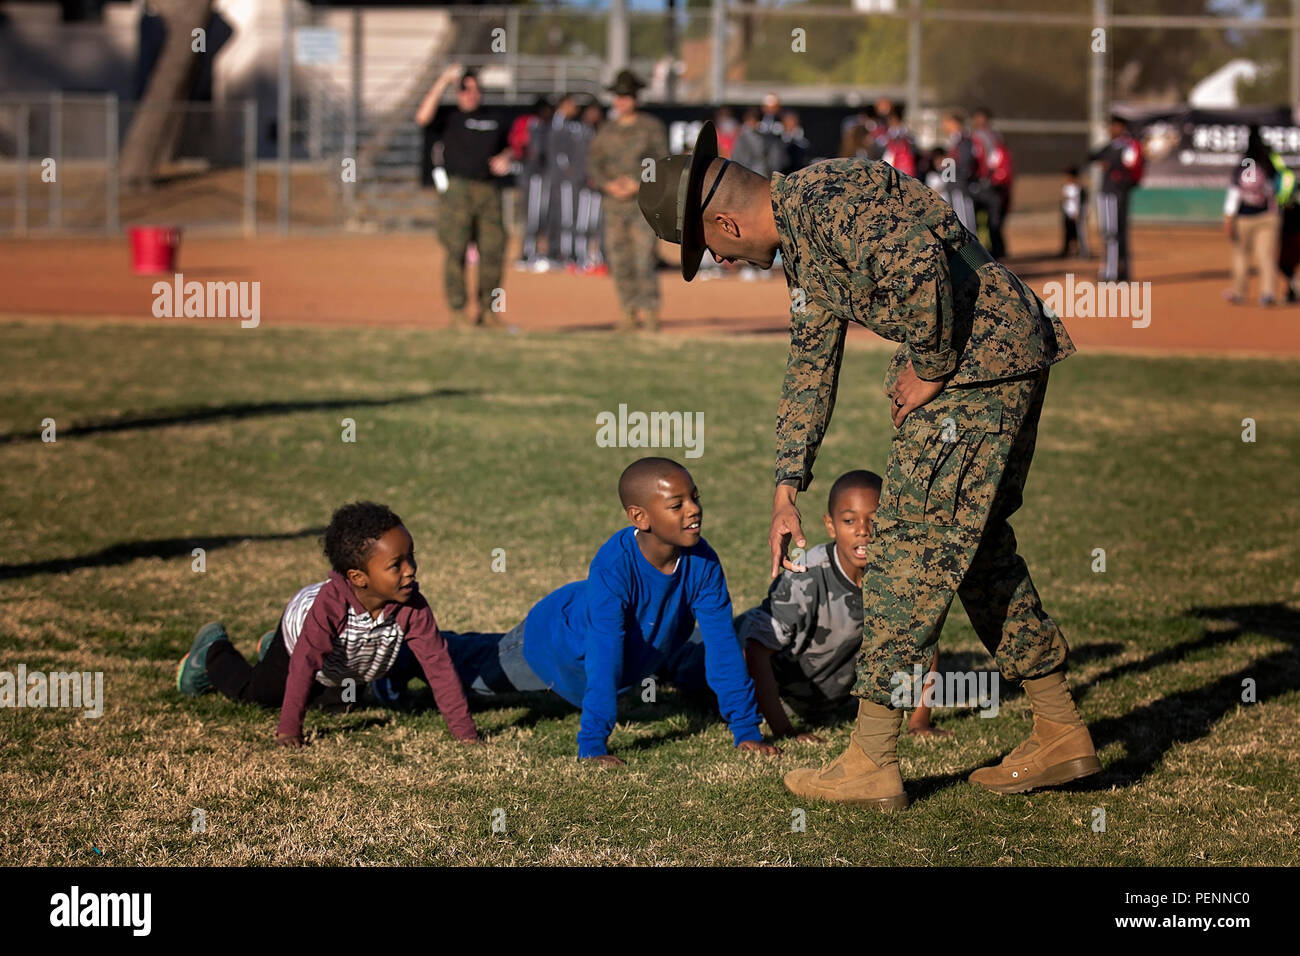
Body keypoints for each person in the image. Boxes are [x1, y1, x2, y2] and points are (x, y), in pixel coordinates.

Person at [637, 122, 1095, 810]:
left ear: (727, 222)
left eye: (712, 250)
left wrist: (930, 367)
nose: (724, 263)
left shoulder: (824, 202)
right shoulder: (806, 234)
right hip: (1001, 357)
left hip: (976, 369)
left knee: (904, 547)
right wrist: (786, 487)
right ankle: (1060, 726)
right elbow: (810, 365)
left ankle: (872, 759)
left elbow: (920, 265)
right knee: (977, 549)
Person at [388, 459, 781, 765]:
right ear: (639, 517)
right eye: (677, 504)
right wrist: (592, 743)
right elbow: (604, 653)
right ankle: (401, 659)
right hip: (554, 646)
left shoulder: (703, 560)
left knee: (479, 648)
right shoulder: (614, 565)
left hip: (630, 644)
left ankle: (451, 647)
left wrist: (746, 730)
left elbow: (722, 645)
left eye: (695, 497)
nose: (693, 510)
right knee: (473, 673)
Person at [659, 470, 946, 740]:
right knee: (679, 665)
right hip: (742, 666)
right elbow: (755, 651)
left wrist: (919, 721)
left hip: (812, 698)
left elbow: (924, 640)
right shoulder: (807, 576)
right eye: (849, 521)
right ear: (830, 526)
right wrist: (785, 732)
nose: (863, 531)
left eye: (876, 519)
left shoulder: (900, 577)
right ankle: (663, 651)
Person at [175, 501, 480, 747]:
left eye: (411, 557)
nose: (410, 570)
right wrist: (289, 731)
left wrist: (466, 734)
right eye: (395, 565)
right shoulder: (330, 608)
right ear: (358, 578)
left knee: (337, 704)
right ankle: (212, 652)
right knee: (262, 695)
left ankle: (268, 650)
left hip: (348, 664)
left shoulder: (412, 605)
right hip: (300, 643)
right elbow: (306, 664)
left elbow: (438, 666)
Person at [416, 65, 513, 328]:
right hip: (457, 191)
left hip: (488, 191)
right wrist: (444, 80)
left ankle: (488, 311)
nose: (470, 94)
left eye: (474, 89)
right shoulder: (448, 117)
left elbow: (510, 149)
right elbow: (422, 117)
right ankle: (458, 312)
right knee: (455, 250)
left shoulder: (495, 119)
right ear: (457, 93)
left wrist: (507, 158)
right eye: (464, 90)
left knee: (493, 251)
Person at [587, 69, 669, 332]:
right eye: (619, 96)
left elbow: (662, 160)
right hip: (613, 205)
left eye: (627, 96)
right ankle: (628, 311)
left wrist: (638, 182)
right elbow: (593, 164)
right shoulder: (606, 130)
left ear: (636, 98)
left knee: (644, 257)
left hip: (641, 204)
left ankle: (650, 312)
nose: (622, 101)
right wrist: (608, 184)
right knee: (619, 258)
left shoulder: (650, 127)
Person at [1223, 126, 1283, 306]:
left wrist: (1228, 218)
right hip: (1267, 216)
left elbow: (1234, 193)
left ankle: (1239, 292)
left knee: (1241, 255)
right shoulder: (1269, 162)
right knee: (1266, 257)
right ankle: (1268, 294)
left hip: (1244, 217)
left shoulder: (1242, 163)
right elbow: (1277, 188)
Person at [1089, 113, 1143, 282]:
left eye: (1113, 126)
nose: (1110, 129)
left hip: (1117, 193)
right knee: (1107, 232)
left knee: (1113, 233)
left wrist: (1110, 164)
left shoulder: (1127, 145)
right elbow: (1092, 156)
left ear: (1121, 128)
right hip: (1106, 192)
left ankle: (1113, 273)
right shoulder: (1111, 146)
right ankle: (1111, 269)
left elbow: (1129, 164)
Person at [511, 96, 554, 270]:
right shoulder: (530, 124)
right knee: (533, 215)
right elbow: (520, 145)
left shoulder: (546, 126)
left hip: (542, 176)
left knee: (542, 214)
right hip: (532, 175)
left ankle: (537, 250)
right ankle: (528, 253)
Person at [971, 107, 1013, 259]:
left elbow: (998, 158)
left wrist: (993, 176)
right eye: (977, 118)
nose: (979, 121)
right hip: (981, 182)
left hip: (994, 183)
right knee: (979, 219)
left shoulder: (995, 137)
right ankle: (985, 248)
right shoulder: (974, 136)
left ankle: (997, 249)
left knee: (995, 219)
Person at [941, 111, 979, 234]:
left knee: (965, 224)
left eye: (947, 123)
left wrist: (953, 176)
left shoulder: (964, 141)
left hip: (960, 187)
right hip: (953, 186)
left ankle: (973, 252)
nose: (944, 126)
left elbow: (964, 163)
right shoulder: (954, 141)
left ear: (955, 123)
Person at [1059, 165, 1089, 259]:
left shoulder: (1079, 189)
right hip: (1068, 214)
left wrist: (1080, 213)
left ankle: (1083, 252)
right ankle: (1067, 251)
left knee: (1080, 234)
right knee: (1068, 233)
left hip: (1078, 214)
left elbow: (1083, 202)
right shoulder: (1066, 188)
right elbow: (1065, 201)